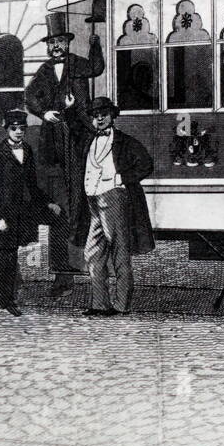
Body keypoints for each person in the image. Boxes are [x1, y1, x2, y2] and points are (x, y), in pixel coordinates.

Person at [25, 12, 104, 297]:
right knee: (59, 208)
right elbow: (29, 97)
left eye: (60, 41)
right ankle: (62, 276)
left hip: (79, 138)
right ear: (48, 47)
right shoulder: (45, 70)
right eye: (52, 42)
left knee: (82, 204)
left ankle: (89, 269)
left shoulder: (77, 64)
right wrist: (45, 112)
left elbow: (97, 67)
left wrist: (95, 42)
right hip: (54, 143)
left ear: (66, 43)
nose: (56, 46)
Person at [67, 96, 155, 316]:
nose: (99, 119)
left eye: (103, 115)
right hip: (93, 202)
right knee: (92, 254)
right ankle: (100, 304)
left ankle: (122, 305)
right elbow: (74, 129)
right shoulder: (88, 140)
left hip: (115, 199)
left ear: (112, 116)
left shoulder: (125, 142)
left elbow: (146, 165)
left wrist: (121, 178)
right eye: (95, 116)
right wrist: (69, 109)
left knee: (119, 254)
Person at [0, 109, 59, 317]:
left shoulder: (27, 150)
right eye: (14, 128)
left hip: (23, 211)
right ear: (6, 129)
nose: (19, 132)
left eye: (22, 128)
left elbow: (32, 184)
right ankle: (5, 300)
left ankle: (8, 296)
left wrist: (48, 203)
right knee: (7, 255)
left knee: (14, 253)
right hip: (4, 212)